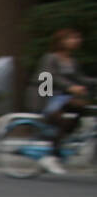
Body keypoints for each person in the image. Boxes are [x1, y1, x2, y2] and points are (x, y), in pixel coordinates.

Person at [34, 28, 95, 175]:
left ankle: (62, 145)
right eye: (71, 38)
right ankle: (50, 157)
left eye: (77, 38)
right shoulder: (50, 58)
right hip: (46, 96)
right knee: (63, 121)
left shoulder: (72, 61)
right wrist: (71, 87)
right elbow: (49, 77)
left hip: (63, 98)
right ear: (61, 41)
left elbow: (80, 78)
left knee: (82, 109)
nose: (76, 41)